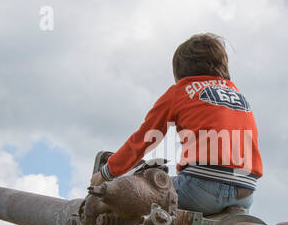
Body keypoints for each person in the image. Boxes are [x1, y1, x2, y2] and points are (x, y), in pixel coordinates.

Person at [92, 33, 262, 214]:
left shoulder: (179, 92)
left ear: (179, 71)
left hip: (200, 188)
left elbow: (144, 138)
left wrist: (106, 173)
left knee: (137, 192)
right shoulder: (239, 96)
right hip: (246, 193)